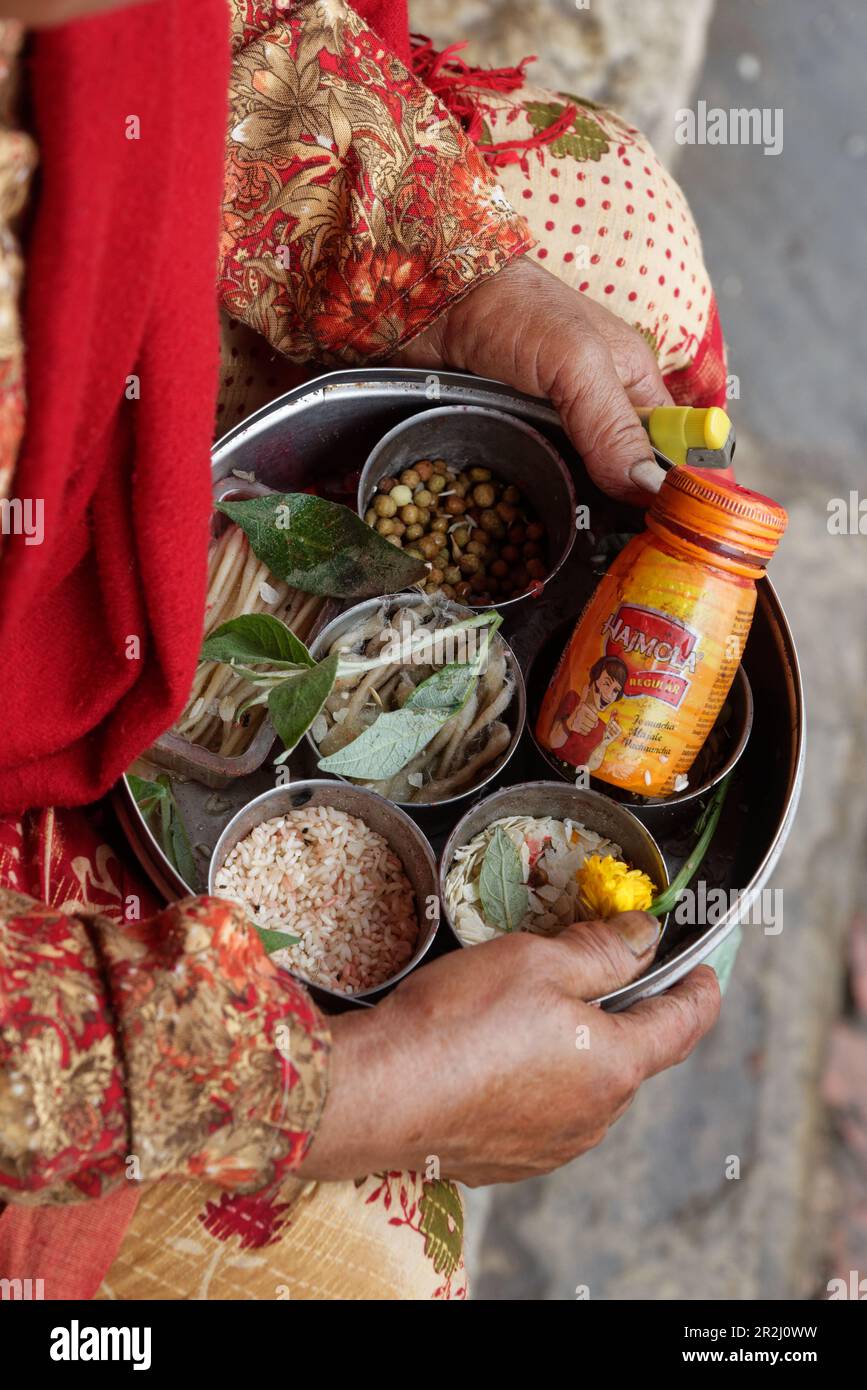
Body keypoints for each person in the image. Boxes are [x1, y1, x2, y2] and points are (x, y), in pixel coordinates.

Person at [0, 0, 722, 1300]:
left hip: (86, 370)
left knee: (632, 258)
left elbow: (215, 29)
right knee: (373, 1273)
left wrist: (446, 280)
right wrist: (353, 1089)